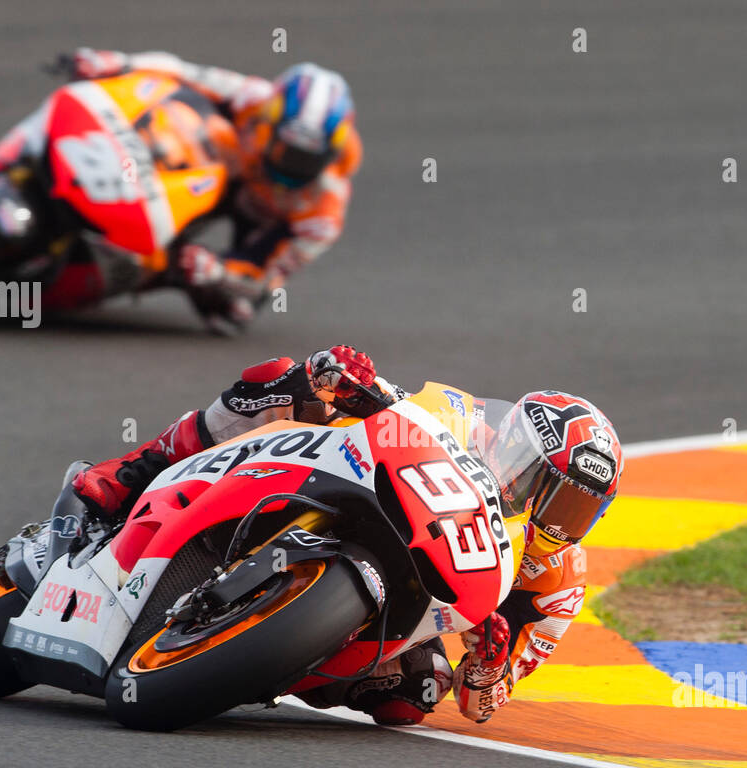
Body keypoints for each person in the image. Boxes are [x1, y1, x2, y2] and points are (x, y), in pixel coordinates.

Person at [72, 347, 624, 725]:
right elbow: (393, 402)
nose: (554, 517)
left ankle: (269, 662)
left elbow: (481, 704)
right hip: (349, 479)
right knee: (284, 379)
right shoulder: (462, 416)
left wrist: (488, 662)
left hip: (415, 597)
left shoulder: (557, 581)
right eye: (546, 487)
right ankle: (135, 469)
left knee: (418, 694)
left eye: (576, 508)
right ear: (515, 446)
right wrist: (349, 378)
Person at [49, 50, 361, 332]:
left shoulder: (324, 213)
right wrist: (117, 63)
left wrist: (218, 272)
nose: (295, 168)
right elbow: (180, 70)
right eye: (288, 151)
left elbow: (269, 278)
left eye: (309, 160)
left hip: (259, 224)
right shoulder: (254, 98)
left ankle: (104, 278)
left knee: (233, 310)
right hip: (217, 171)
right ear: (270, 121)